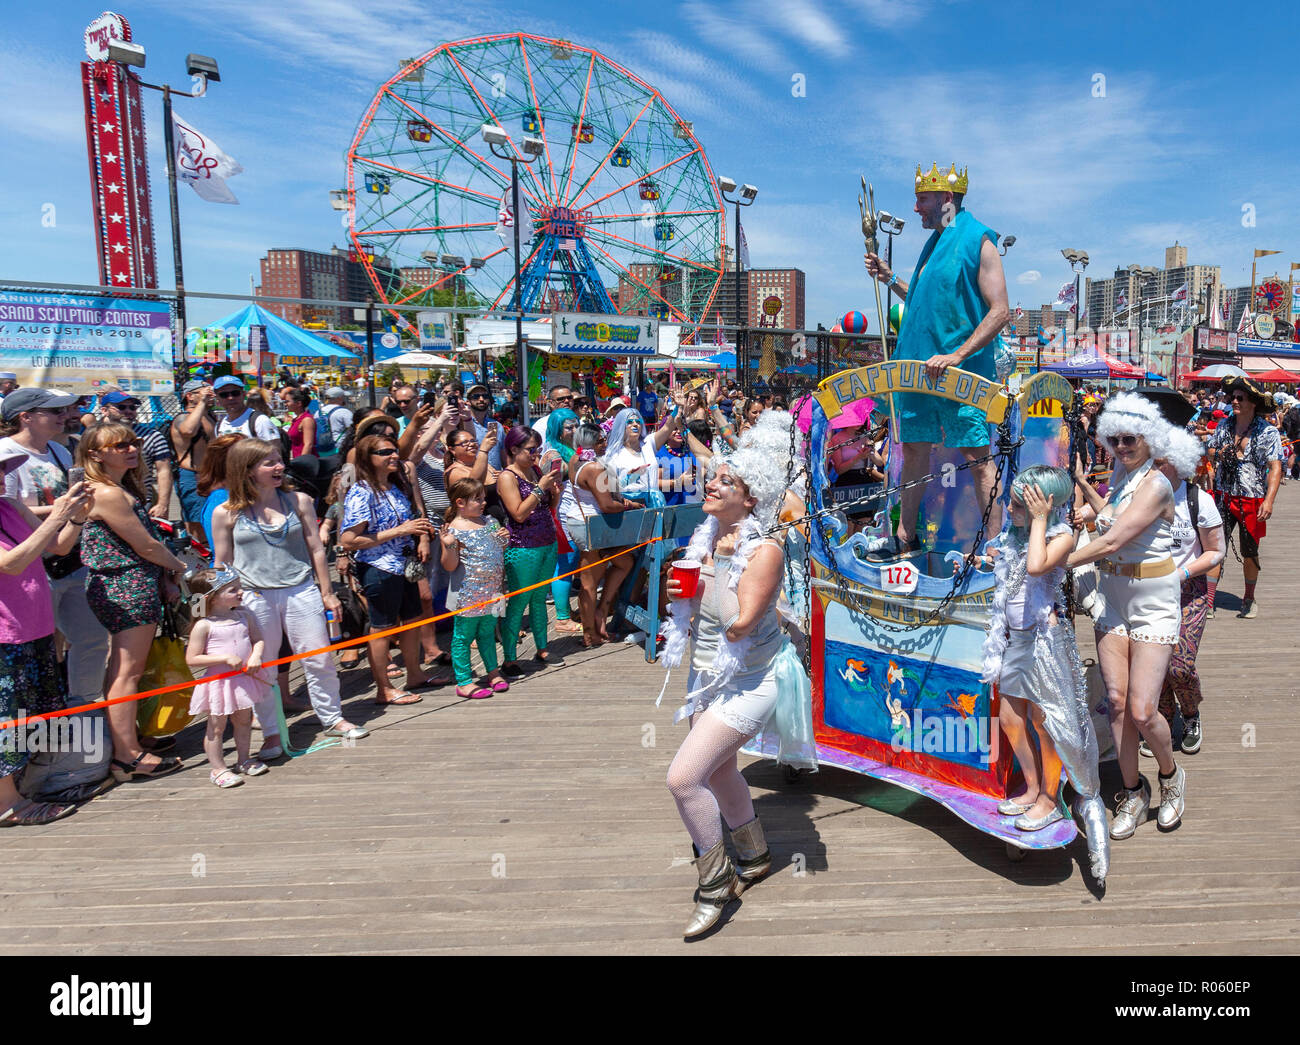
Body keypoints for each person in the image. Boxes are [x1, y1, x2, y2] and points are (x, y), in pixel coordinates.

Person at [658, 410, 815, 938]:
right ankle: (753, 856)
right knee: (721, 771)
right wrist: (678, 589)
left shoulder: (763, 550)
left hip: (751, 681)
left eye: (727, 480)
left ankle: (715, 883)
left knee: (683, 779)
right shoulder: (702, 538)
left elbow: (738, 625)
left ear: (751, 499)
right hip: (705, 678)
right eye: (714, 476)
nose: (713, 483)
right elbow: (689, 617)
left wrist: (720, 568)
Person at [1068, 391, 1204, 838]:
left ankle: (1170, 777)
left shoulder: (1160, 481)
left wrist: (1051, 561)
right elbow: (1109, 520)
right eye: (1115, 439)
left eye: (1131, 438)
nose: (1122, 447)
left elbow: (1113, 540)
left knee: (1145, 710)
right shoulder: (1123, 476)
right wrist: (1086, 495)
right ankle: (1132, 792)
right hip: (1112, 596)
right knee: (1119, 705)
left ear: (1149, 437)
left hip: (1153, 598)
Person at [863, 162, 1009, 560]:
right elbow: (925, 306)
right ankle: (905, 538)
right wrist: (890, 278)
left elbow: (1000, 311)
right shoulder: (934, 243)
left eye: (922, 199)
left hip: (960, 373)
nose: (915, 209)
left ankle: (994, 548)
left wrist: (958, 355)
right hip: (916, 371)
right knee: (913, 450)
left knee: (977, 457)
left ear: (946, 199)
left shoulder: (979, 238)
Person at [978, 465, 1109, 885]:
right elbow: (1009, 568)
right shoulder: (1017, 535)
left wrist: (1038, 520)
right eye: (1013, 501)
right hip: (1014, 640)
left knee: (1044, 722)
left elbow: (1037, 568)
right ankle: (1033, 788)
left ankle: (1052, 798)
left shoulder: (1060, 535)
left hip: (1044, 642)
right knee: (1012, 720)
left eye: (1021, 503)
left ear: (1045, 505)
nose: (1010, 508)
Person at [211, 438, 369, 749]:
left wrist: (328, 592)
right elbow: (222, 563)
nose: (279, 467)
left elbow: (316, 549)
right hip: (254, 596)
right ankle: (272, 730)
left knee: (319, 656)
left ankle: (333, 718)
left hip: (300, 589)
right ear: (247, 470)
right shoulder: (226, 512)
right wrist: (223, 606)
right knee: (264, 664)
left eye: (279, 460)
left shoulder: (299, 501)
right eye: (268, 462)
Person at [78, 423, 188, 782]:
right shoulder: (108, 493)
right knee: (126, 671)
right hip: (123, 584)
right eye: (119, 445)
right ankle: (126, 754)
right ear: (96, 454)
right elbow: (146, 545)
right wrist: (179, 568)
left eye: (134, 442)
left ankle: (130, 741)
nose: (131, 449)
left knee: (127, 669)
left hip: (133, 581)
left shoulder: (119, 488)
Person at [0, 389, 112, 716]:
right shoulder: (6, 452)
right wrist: (61, 510)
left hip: (67, 560)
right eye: (53, 411)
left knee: (87, 641)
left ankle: (84, 717)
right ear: (26, 416)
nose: (64, 415)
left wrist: (76, 511)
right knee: (41, 654)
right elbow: (13, 518)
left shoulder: (60, 451)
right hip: (30, 571)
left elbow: (20, 512)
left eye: (64, 409)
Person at [0, 447, 94, 824]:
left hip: (33, 627)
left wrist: (76, 519)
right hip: (6, 635)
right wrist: (55, 514)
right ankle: (8, 803)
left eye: (4, 467)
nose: (3, 474)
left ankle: (21, 789)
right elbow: (12, 562)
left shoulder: (8, 505)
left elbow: (57, 547)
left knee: (31, 714)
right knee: (7, 718)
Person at [339, 433, 445, 705]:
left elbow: (412, 518)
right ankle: (383, 689)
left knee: (411, 621)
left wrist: (419, 534)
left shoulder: (394, 486)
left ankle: (414, 675)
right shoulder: (361, 492)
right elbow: (349, 540)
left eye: (394, 450)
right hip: (378, 567)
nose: (393, 455)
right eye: (385, 452)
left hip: (404, 565)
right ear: (368, 459)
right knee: (382, 628)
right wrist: (400, 530)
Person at [183, 565, 273, 788]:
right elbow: (192, 658)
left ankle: (244, 759)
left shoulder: (244, 616)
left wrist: (256, 656)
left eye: (239, 587)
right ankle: (218, 768)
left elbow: (257, 639)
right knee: (216, 727)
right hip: (219, 683)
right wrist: (224, 658)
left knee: (243, 721)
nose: (240, 592)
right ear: (212, 598)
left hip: (243, 680)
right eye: (233, 590)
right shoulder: (204, 625)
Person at [1206, 376, 1284, 619]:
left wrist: (1269, 501)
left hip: (1252, 498)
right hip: (1224, 495)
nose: (1234, 401)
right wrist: (1219, 452)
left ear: (1253, 402)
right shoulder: (1224, 426)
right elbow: (1208, 450)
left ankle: (1249, 598)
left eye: (1240, 398)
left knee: (1250, 552)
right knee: (1214, 548)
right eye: (1233, 397)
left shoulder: (1268, 431)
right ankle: (1208, 601)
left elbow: (1275, 468)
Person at [559, 423, 638, 647]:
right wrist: (629, 506)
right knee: (589, 582)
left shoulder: (576, 460)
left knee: (625, 562)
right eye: (601, 440)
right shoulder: (593, 467)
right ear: (591, 443)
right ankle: (589, 634)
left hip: (586, 523)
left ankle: (601, 613)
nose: (605, 443)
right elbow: (607, 505)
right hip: (590, 525)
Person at [496, 426, 564, 677]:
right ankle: (510, 657)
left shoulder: (535, 471)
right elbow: (519, 513)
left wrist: (554, 493)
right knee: (519, 601)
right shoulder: (507, 477)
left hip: (546, 541)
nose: (536, 455)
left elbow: (548, 507)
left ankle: (542, 648)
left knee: (539, 599)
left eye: (538, 449)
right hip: (522, 546)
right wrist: (539, 489)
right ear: (514, 449)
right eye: (531, 450)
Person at [440, 478, 509, 700]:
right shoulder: (454, 530)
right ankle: (464, 681)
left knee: (488, 632)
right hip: (468, 591)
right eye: (477, 499)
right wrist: (449, 544)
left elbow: (500, 548)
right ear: (460, 502)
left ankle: (493, 671)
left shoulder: (489, 521)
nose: (482, 503)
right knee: (463, 636)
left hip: (494, 588)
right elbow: (449, 566)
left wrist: (505, 538)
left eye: (483, 498)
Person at [98, 391, 175, 519]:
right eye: (121, 407)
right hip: (104, 500)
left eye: (132, 407)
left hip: (142, 502)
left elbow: (164, 470)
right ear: (104, 410)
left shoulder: (153, 436)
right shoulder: (95, 436)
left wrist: (162, 504)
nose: (128, 411)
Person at [541, 408, 583, 633]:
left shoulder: (570, 449)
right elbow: (550, 485)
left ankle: (565, 610)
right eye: (569, 427)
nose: (574, 430)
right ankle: (562, 617)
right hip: (562, 513)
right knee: (565, 563)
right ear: (557, 429)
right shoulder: (553, 454)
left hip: (575, 511)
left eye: (576, 425)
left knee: (571, 561)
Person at [171, 380, 216, 545]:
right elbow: (188, 431)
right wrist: (202, 402)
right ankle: (199, 561)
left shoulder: (209, 417)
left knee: (212, 520)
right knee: (197, 524)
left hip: (212, 477)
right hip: (192, 477)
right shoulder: (183, 418)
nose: (210, 396)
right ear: (189, 396)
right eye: (205, 392)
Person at [213, 376, 281, 443]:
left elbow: (275, 450)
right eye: (224, 395)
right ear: (217, 399)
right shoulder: (219, 425)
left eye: (235, 393)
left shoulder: (260, 421)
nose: (231, 398)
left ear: (243, 394)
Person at [465, 383, 506, 469]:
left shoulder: (497, 426)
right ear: (468, 401)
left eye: (485, 396)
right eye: (476, 396)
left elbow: (504, 456)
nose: (481, 399)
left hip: (496, 479)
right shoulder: (464, 425)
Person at [283, 386, 317, 459]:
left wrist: (302, 463)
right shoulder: (296, 419)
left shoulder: (307, 420)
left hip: (305, 462)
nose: (285, 404)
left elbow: (308, 444)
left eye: (287, 401)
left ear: (298, 403)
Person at [320, 387, 353, 458]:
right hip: (339, 448)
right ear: (339, 398)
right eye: (344, 397)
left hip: (322, 447)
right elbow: (353, 429)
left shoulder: (319, 412)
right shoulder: (344, 412)